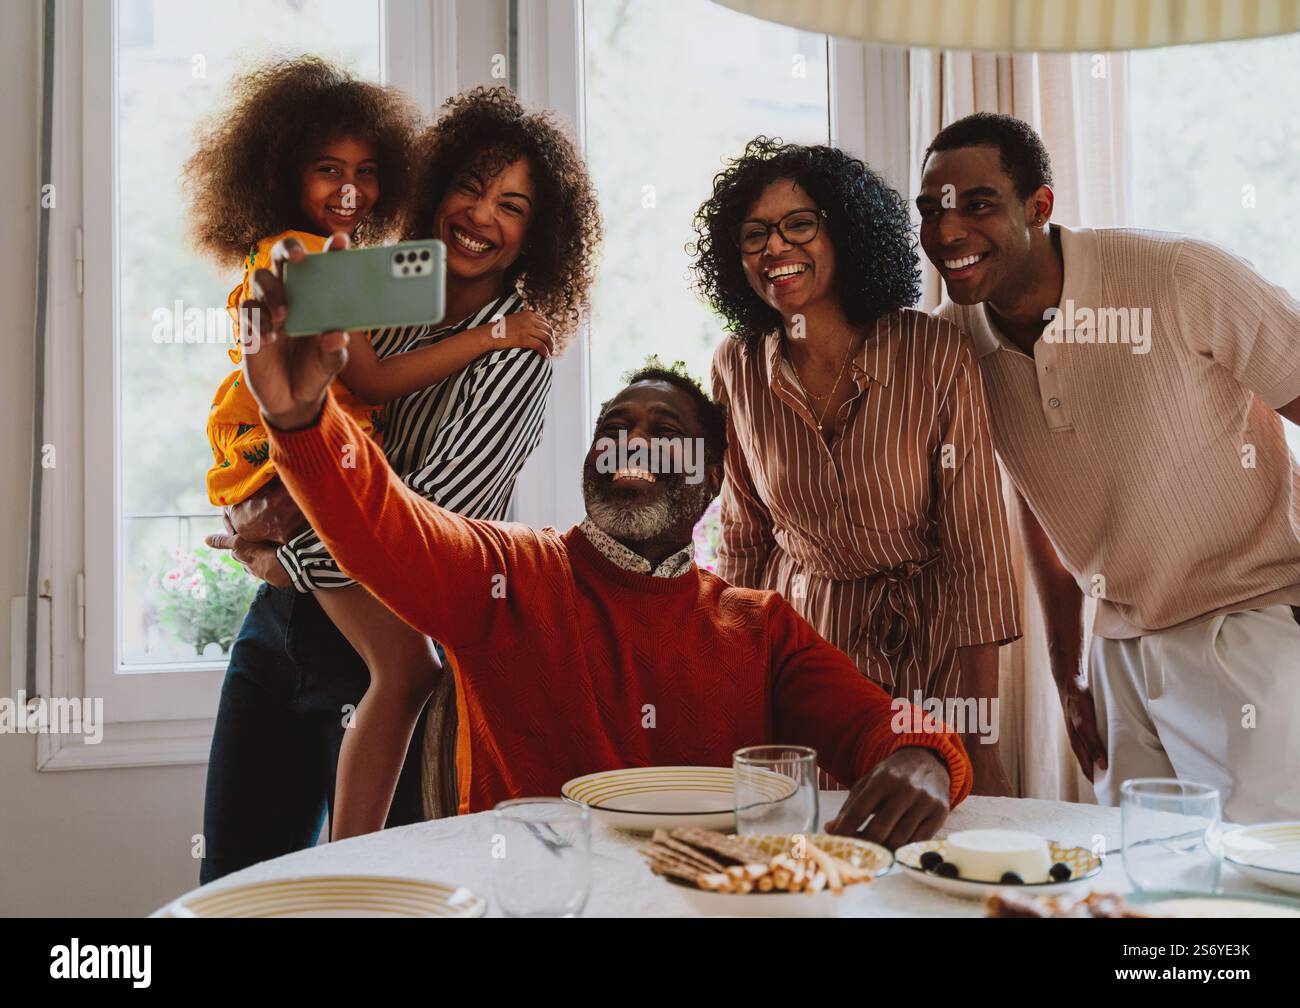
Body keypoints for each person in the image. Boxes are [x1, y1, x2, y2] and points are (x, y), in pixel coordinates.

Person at [234, 244, 974, 845]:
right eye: (614, 427)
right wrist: (302, 421)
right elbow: (383, 525)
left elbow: (881, 721)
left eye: (664, 431)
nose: (632, 442)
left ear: (710, 478)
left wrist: (923, 757)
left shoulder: (761, 628)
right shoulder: (507, 575)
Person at [198, 86, 602, 880]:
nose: (482, 215)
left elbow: (421, 528)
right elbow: (293, 405)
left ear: (537, 236)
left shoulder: (517, 354)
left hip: (376, 633)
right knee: (234, 885)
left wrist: (280, 551)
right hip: (277, 627)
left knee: (365, 893)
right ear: (434, 186)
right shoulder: (377, 292)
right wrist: (264, 527)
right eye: (470, 187)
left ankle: (346, 866)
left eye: (512, 206)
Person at [919, 112, 1300, 822]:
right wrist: (1068, 662)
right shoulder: (951, 344)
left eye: (977, 204)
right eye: (931, 210)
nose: (947, 232)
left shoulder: (1178, 274)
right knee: (1143, 891)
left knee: (1263, 890)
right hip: (1121, 651)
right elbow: (1039, 493)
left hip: (1254, 634)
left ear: (1040, 206)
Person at [695, 139, 1020, 795]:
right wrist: (726, 703)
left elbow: (975, 553)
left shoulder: (933, 352)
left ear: (844, 231)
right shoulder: (736, 365)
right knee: (812, 862)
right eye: (754, 234)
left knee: (925, 853)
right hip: (800, 658)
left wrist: (979, 741)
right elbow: (744, 543)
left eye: (799, 225)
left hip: (928, 653)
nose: (774, 248)